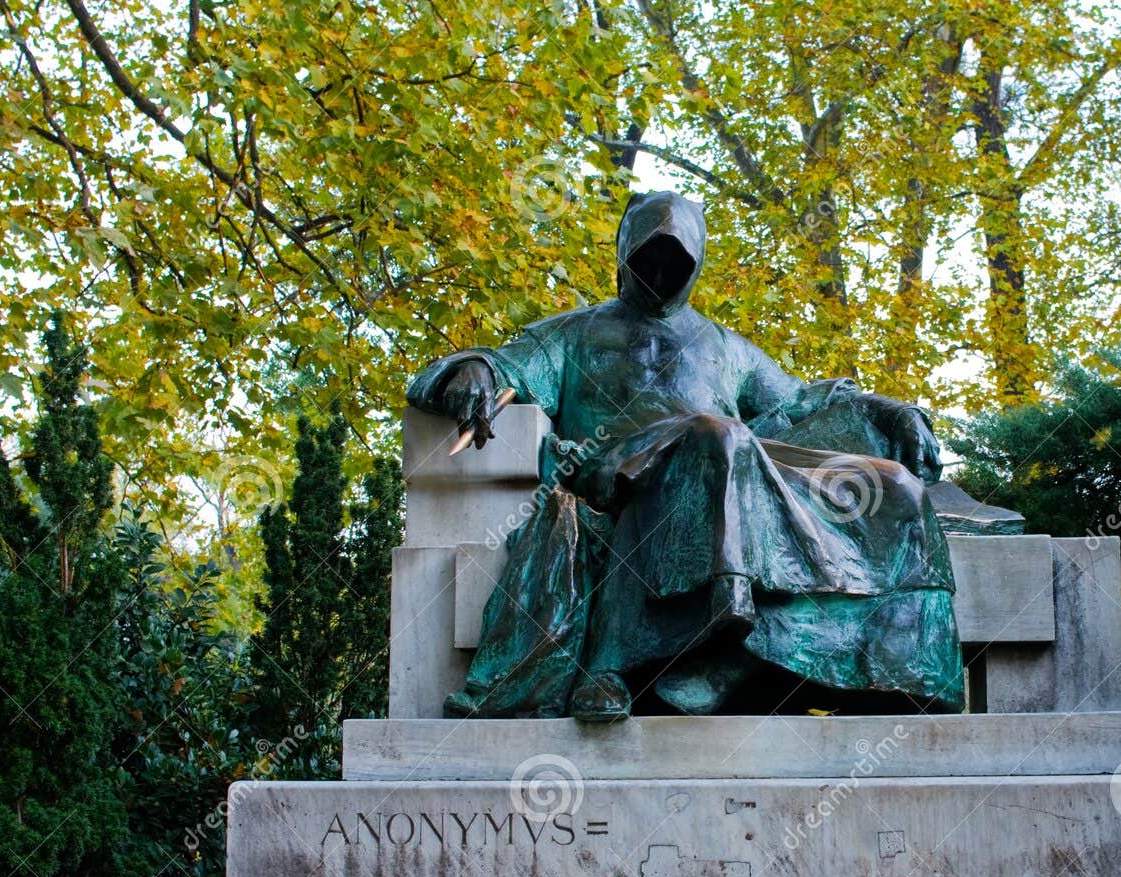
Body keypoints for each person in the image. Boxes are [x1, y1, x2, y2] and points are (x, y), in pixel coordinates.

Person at [408, 191, 964, 721]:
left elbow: (798, 401)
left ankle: (895, 671)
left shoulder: (725, 346)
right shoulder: (571, 334)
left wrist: (889, 412)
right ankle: (679, 651)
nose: (657, 272)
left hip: (730, 470)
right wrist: (473, 369)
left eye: (674, 260)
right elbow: (504, 365)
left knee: (893, 485)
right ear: (624, 256)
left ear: (695, 265)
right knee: (717, 436)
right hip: (618, 475)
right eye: (647, 256)